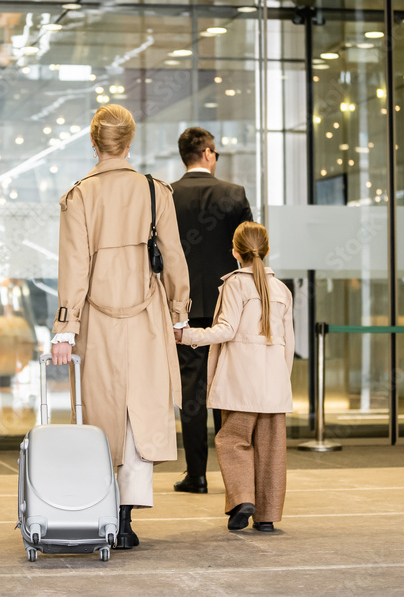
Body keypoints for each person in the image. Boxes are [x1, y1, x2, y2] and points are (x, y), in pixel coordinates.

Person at [51, 104, 191, 549]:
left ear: (94, 144)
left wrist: (64, 326)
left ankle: (104, 508)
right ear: (129, 143)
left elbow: (74, 265)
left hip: (97, 317)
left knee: (101, 409)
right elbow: (173, 257)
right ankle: (128, 515)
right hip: (147, 315)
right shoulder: (155, 191)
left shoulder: (79, 196)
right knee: (140, 410)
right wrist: (179, 310)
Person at [176, 221, 293, 533]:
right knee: (271, 449)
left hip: (242, 381)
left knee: (232, 439)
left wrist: (185, 335)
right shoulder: (282, 289)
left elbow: (225, 330)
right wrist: (283, 383)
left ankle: (242, 499)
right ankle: (266, 517)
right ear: (266, 251)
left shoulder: (235, 285)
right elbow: (289, 345)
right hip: (274, 383)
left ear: (234, 252)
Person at [171, 127, 252, 494]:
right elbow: (251, 249)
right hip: (227, 305)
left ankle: (196, 474)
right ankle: (231, 474)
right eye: (215, 152)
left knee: (192, 390)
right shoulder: (234, 195)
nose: (215, 157)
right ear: (206, 153)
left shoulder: (167, 195)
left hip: (182, 306)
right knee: (226, 386)